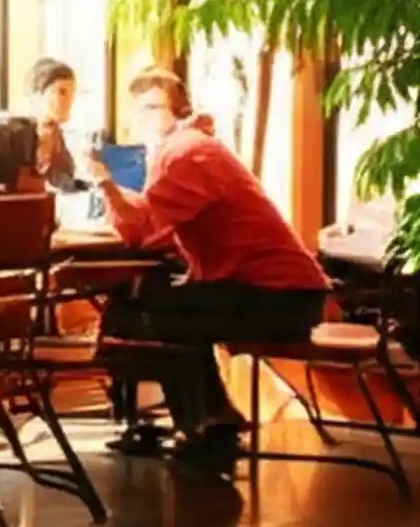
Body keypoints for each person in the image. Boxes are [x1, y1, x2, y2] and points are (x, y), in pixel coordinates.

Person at [87, 68, 330, 474]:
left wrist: (105, 185)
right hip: (279, 293)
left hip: (278, 297)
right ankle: (206, 420)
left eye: (152, 108)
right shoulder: (190, 148)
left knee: (139, 312)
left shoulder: (187, 152)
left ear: (179, 108)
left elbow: (144, 231)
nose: (143, 120)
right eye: (138, 111)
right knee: (145, 303)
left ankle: (194, 421)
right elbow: (152, 227)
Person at [26, 57, 84, 192]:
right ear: (38, 95)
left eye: (72, 94)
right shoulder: (19, 137)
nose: (69, 101)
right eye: (62, 92)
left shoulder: (57, 137)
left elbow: (62, 182)